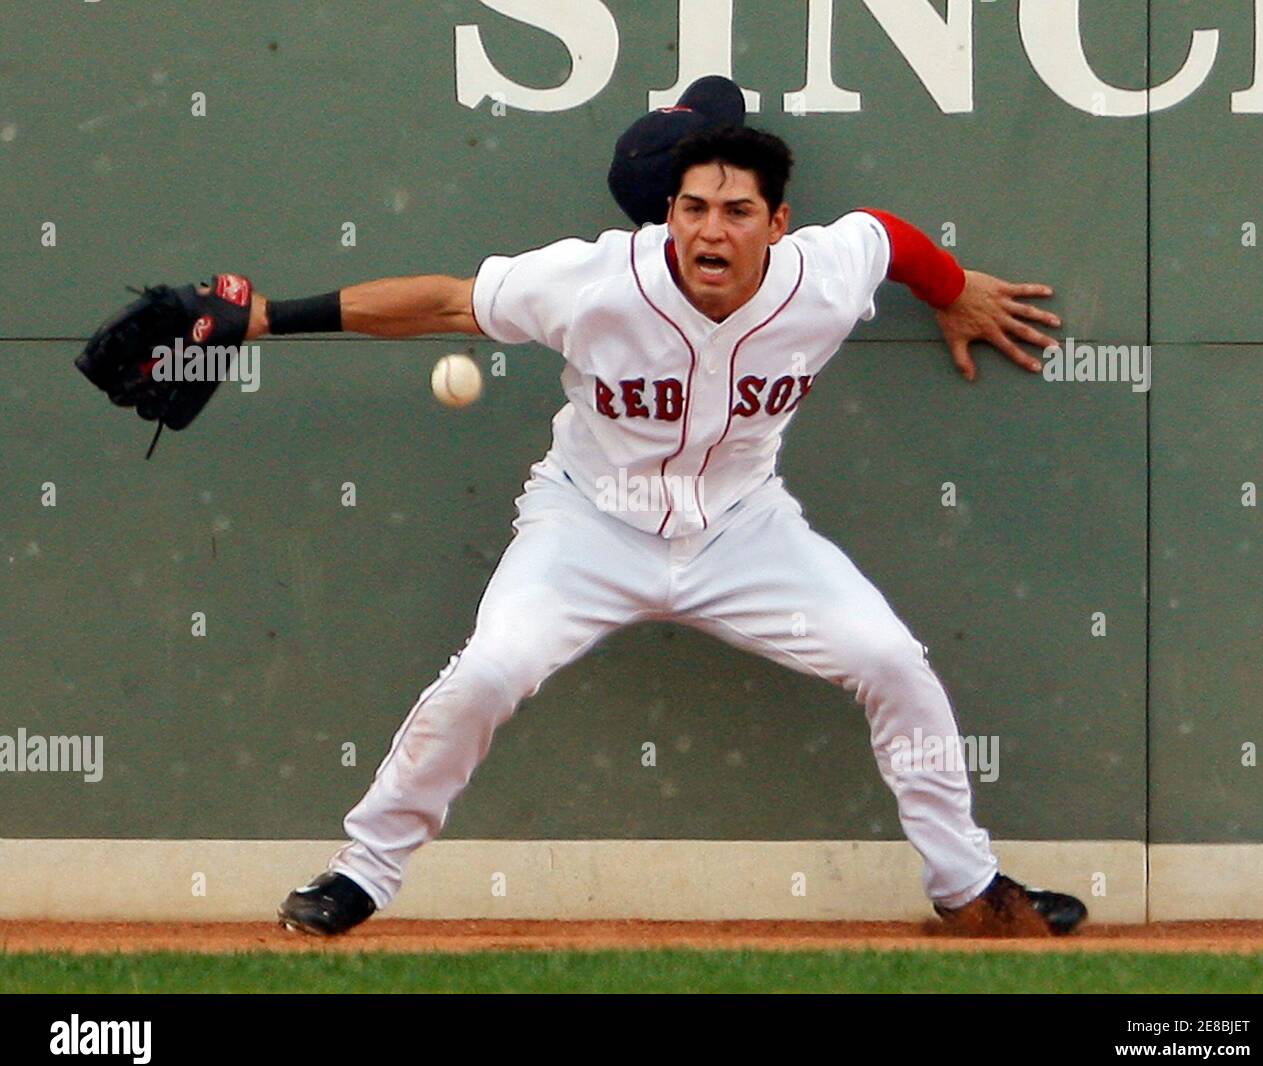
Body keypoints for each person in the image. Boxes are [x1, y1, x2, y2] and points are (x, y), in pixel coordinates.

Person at [263, 121, 1084, 939]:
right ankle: (362, 872)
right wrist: (266, 320)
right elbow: (443, 300)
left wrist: (951, 289)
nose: (710, 229)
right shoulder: (594, 280)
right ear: (669, 214)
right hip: (587, 523)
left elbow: (891, 238)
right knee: (490, 669)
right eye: (692, 208)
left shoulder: (823, 276)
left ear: (778, 224)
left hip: (743, 531)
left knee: (893, 661)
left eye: (735, 211)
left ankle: (967, 886)